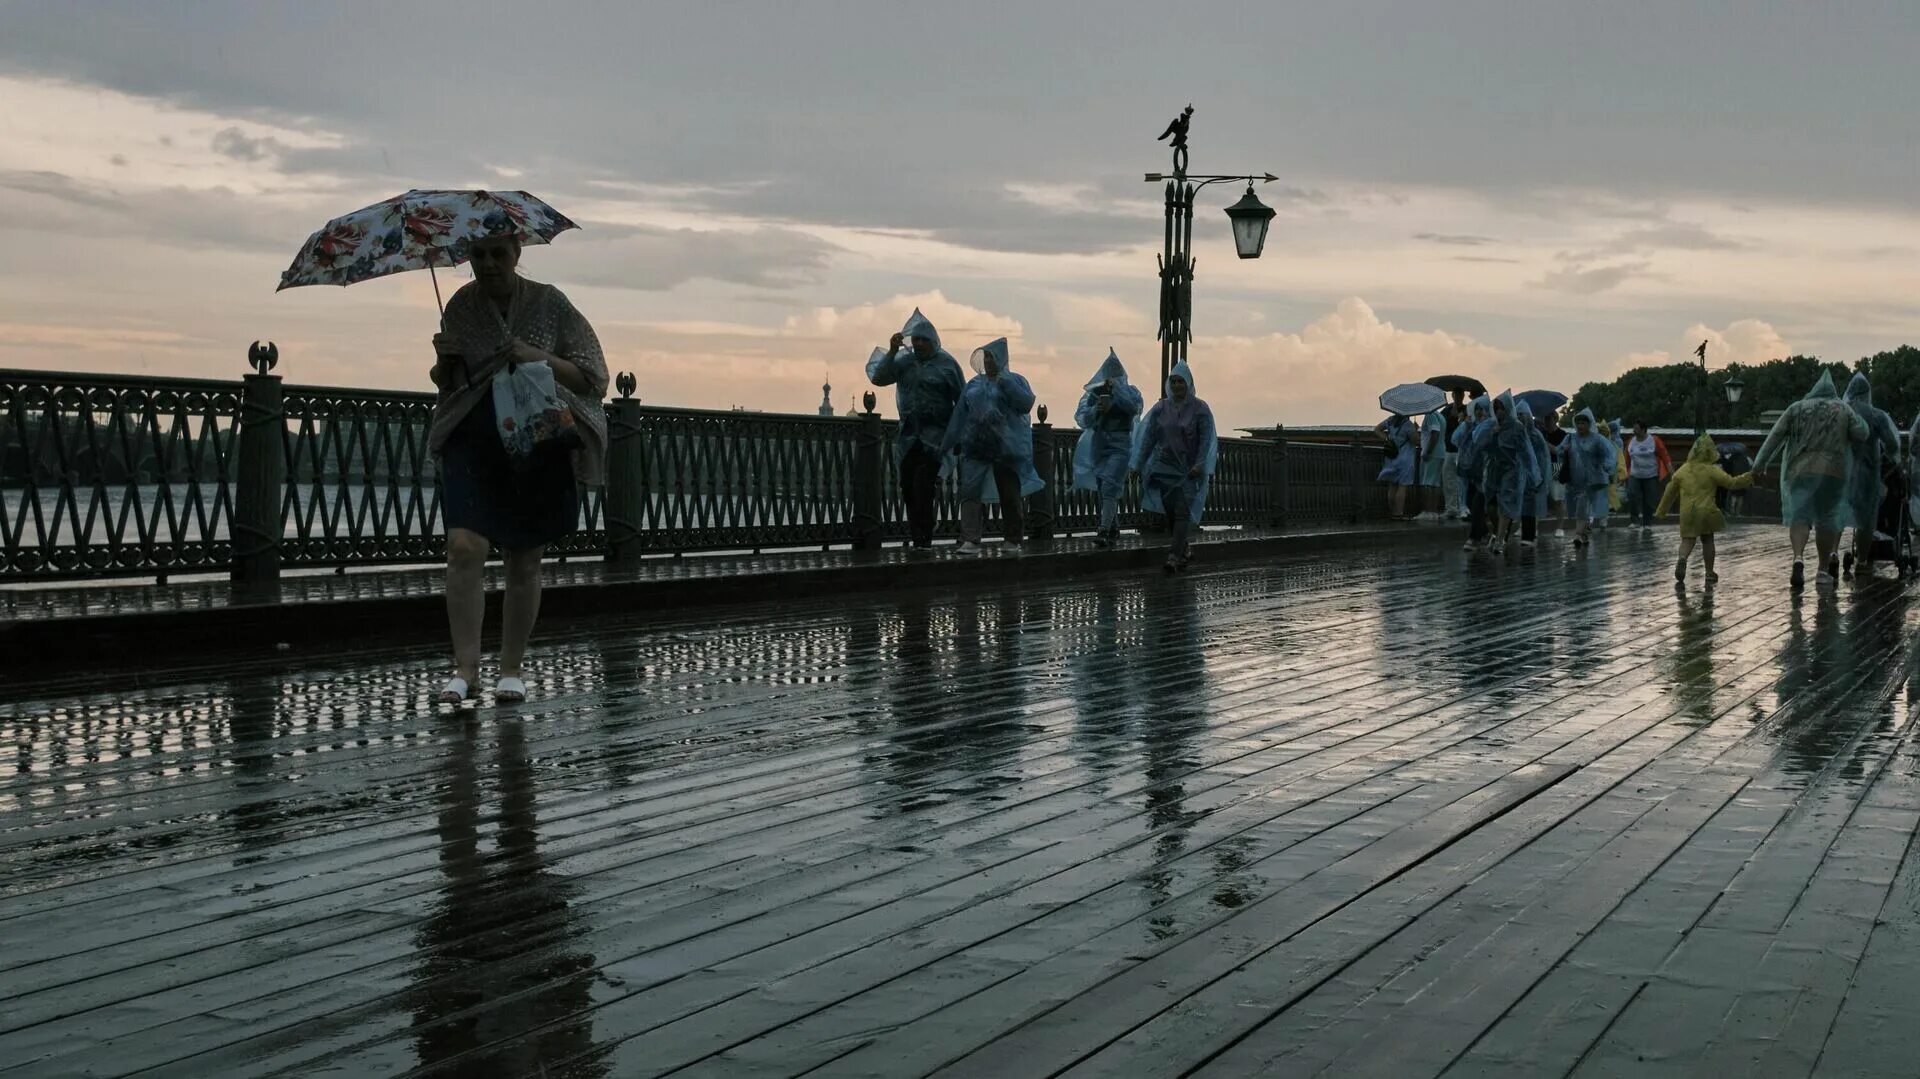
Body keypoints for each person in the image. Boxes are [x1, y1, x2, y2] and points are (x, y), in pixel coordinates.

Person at [429, 231, 609, 704]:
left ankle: (511, 668)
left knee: (525, 556)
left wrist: (538, 356)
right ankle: (465, 668)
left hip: (535, 436)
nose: (487, 264)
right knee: (464, 545)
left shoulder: (550, 304)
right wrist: (443, 360)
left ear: (516, 255)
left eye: (497, 254)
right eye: (478, 255)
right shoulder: (461, 306)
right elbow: (451, 386)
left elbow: (594, 376)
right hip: (474, 434)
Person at [1752, 371, 1871, 591]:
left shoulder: (1796, 408)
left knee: (1800, 516)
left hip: (1799, 469)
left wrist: (1758, 465)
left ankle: (1798, 558)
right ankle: (1822, 570)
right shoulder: (1842, 409)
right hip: (1832, 471)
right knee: (1826, 519)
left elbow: (1774, 438)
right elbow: (1862, 433)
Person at [867, 308, 965, 552]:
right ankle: (920, 531)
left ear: (933, 342)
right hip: (909, 438)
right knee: (908, 488)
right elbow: (878, 378)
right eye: (916, 340)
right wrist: (891, 351)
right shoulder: (904, 361)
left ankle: (923, 541)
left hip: (936, 439)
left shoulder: (947, 364)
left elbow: (962, 401)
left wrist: (958, 435)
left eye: (924, 340)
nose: (919, 344)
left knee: (923, 486)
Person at [941, 337, 1043, 555]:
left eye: (992, 356)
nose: (988, 361)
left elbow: (1026, 404)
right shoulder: (974, 384)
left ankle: (1013, 539)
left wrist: (1005, 382)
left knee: (1009, 493)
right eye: (985, 356)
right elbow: (960, 414)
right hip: (976, 445)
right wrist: (950, 442)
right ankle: (970, 539)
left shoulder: (1015, 380)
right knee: (970, 491)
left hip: (1006, 447)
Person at [1132, 361, 1217, 573]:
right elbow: (1148, 439)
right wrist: (1137, 465)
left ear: (1189, 384)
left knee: (1181, 512)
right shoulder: (1160, 408)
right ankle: (1184, 547)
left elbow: (1206, 440)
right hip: (1164, 468)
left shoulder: (1200, 409)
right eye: (1174, 382)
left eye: (1181, 382)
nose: (1178, 386)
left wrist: (1200, 464)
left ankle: (1174, 556)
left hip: (1189, 470)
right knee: (1170, 512)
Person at [1657, 434, 1755, 585]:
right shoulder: (1711, 470)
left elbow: (1669, 492)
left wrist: (1661, 511)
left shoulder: (1682, 470)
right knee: (1708, 540)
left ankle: (1682, 559)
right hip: (1707, 511)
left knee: (1687, 540)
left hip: (1687, 512)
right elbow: (1731, 482)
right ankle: (1709, 572)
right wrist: (1749, 477)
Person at [1072, 348, 1144, 547]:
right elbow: (1082, 418)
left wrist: (1117, 392)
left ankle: (1103, 530)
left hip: (1121, 447)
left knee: (1110, 486)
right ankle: (1113, 528)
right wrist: (1097, 409)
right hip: (1100, 446)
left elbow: (1134, 408)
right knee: (1104, 487)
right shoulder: (1095, 393)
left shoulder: (1130, 392)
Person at [1843, 372, 1902, 577]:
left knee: (1837, 515)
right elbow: (1892, 444)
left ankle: (1831, 555)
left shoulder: (1842, 413)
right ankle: (1862, 561)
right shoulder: (1877, 415)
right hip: (1869, 471)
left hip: (1843, 472)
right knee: (1867, 519)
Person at [1482, 391, 1536, 555]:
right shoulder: (1491, 425)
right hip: (1493, 469)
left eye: (1501, 408)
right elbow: (1480, 446)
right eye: (1496, 408)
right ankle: (1500, 531)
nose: (1498, 411)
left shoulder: (1517, 427)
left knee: (1505, 504)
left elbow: (1526, 451)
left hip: (1511, 470)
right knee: (1490, 505)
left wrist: (1532, 473)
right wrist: (1492, 434)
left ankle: (1500, 539)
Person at [1566, 409, 1618, 547]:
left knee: (1585, 507)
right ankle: (1583, 534)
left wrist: (1608, 467)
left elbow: (1610, 454)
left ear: (1589, 424)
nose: (1580, 426)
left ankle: (1579, 534)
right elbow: (1559, 451)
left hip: (1596, 479)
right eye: (1578, 423)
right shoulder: (1572, 438)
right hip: (1579, 479)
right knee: (1583, 507)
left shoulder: (1598, 440)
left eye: (1583, 423)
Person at [1453, 395, 1493, 549]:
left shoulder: (1490, 425)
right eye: (1477, 409)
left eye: (1482, 409)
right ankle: (1483, 532)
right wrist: (1465, 425)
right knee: (1473, 502)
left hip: (1484, 469)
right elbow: (1454, 439)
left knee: (1479, 502)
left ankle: (1475, 537)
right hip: (1468, 468)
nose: (1479, 412)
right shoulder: (1470, 425)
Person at [1515, 400, 1552, 546]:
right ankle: (1524, 529)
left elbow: (1543, 457)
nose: (1520, 418)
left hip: (1533, 475)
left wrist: (1540, 476)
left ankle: (1529, 533)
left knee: (1531, 504)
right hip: (1520, 474)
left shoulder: (1535, 435)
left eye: (1522, 415)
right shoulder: (1517, 433)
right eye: (1517, 415)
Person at [1624, 421, 1671, 528]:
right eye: (1633, 429)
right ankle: (1634, 521)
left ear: (1644, 429)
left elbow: (1665, 456)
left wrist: (1672, 472)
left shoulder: (1654, 440)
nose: (1634, 431)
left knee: (1649, 500)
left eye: (1636, 429)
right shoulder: (1631, 441)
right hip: (1634, 474)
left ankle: (1647, 523)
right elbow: (1626, 458)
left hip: (1651, 475)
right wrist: (1624, 473)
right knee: (1632, 495)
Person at [1374, 412, 1418, 519]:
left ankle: (1392, 511)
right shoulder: (1408, 424)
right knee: (1402, 486)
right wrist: (1415, 429)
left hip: (1391, 457)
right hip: (1405, 458)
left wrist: (1387, 439)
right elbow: (1415, 440)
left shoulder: (1390, 420)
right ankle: (1398, 513)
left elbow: (1376, 429)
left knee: (1392, 485)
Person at [1540, 408, 1569, 531]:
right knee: (1539, 497)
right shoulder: (1540, 433)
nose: (1546, 421)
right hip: (1542, 467)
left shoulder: (1563, 434)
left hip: (1556, 467)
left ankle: (1560, 527)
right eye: (1544, 418)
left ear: (1555, 419)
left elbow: (1559, 451)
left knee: (1558, 499)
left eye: (1548, 418)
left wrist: (1545, 443)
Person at [1441, 389, 1469, 518]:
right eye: (1456, 394)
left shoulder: (1467, 409)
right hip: (1448, 449)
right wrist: (1451, 417)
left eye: (1460, 394)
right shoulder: (1446, 410)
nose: (1458, 396)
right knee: (1448, 480)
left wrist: (1462, 419)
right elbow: (1441, 425)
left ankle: (1462, 508)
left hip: (1461, 450)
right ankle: (1450, 508)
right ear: (1452, 395)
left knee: (1461, 481)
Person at [1418, 407, 1448, 519]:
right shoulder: (1440, 416)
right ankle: (1434, 512)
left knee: (1427, 483)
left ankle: (1427, 511)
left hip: (1432, 453)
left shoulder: (1430, 415)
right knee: (1435, 483)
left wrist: (1427, 451)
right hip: (1441, 452)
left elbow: (1435, 433)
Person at [1716, 440, 1753, 517]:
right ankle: (1737, 513)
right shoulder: (1746, 459)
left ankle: (1730, 511)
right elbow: (1751, 468)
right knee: (1740, 496)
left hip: (1731, 479)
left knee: (1733, 495)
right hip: (1743, 479)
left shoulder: (1728, 459)